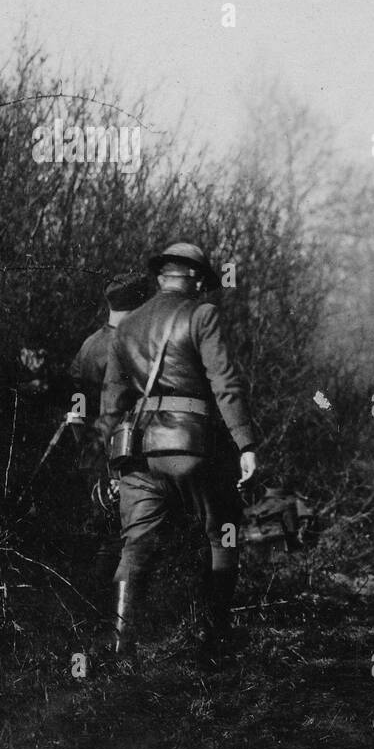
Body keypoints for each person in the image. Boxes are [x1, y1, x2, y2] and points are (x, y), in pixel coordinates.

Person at [100, 242, 259, 662]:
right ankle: (215, 640)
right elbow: (225, 382)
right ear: (199, 279)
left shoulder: (128, 325)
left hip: (136, 453)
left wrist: (110, 463)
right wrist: (244, 443)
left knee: (135, 547)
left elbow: (111, 401)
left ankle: (121, 649)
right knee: (221, 532)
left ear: (159, 277)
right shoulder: (202, 315)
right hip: (190, 447)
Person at [68, 273, 151, 584]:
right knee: (122, 542)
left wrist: (88, 458)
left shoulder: (90, 345)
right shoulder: (131, 347)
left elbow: (75, 411)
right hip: (121, 457)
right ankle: (109, 620)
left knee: (105, 539)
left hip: (92, 455)